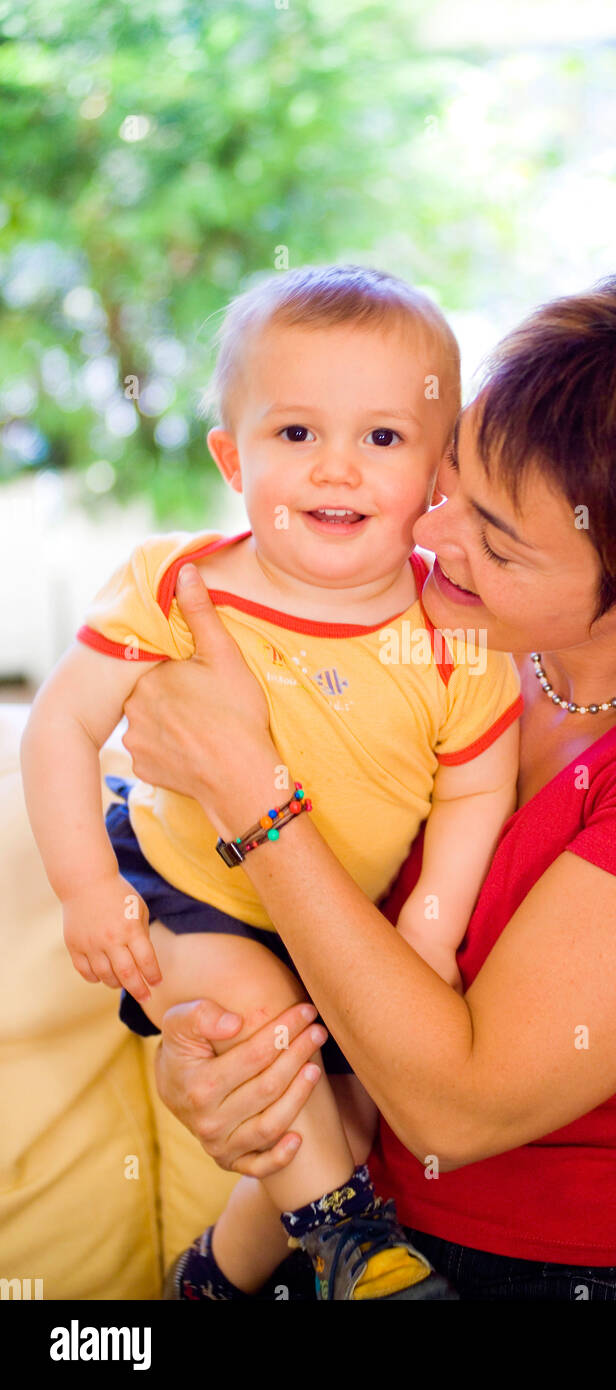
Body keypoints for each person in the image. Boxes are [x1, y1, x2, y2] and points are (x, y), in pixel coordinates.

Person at [118, 267, 616, 1302]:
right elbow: (338, 978)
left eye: (494, 539)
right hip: (357, 1244)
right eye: (450, 477)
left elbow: (457, 1109)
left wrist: (252, 797)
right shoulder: (454, 640)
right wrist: (228, 1066)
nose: (426, 531)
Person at [20, 266, 525, 1301]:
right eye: (295, 434)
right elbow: (62, 721)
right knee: (265, 1038)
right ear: (230, 455)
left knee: (352, 1113)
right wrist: (86, 887)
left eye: (381, 439)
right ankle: (352, 1249)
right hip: (189, 891)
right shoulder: (181, 582)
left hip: (348, 926)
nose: (335, 468)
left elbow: (477, 792)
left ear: (437, 475)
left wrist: (425, 936)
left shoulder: (456, 638)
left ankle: (213, 1279)